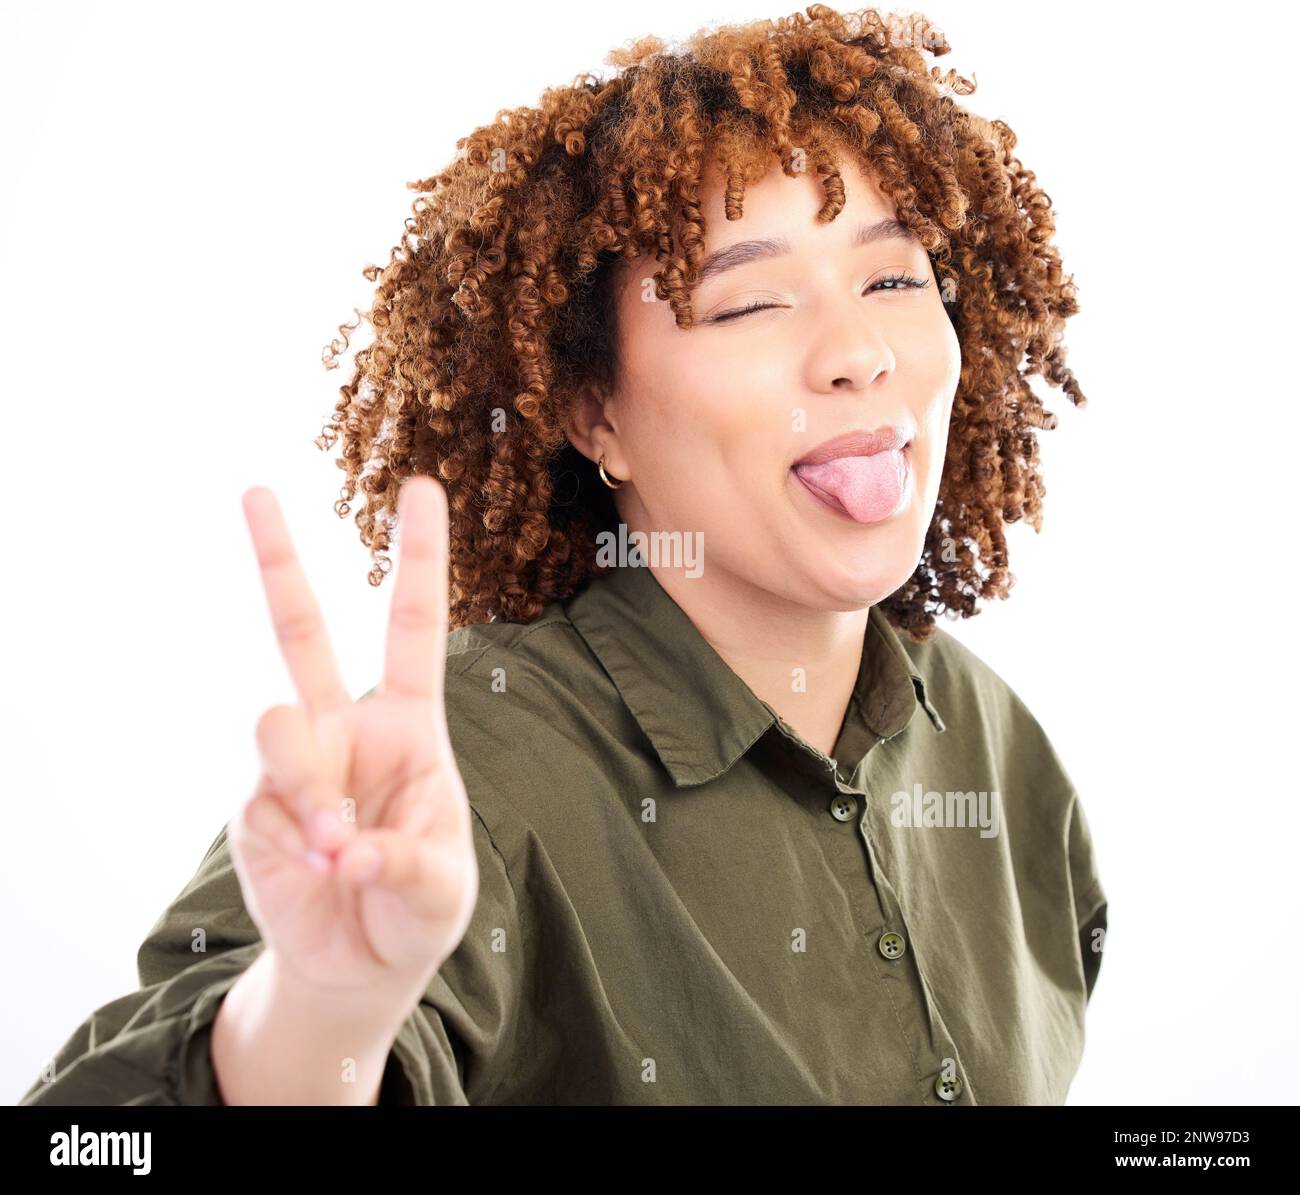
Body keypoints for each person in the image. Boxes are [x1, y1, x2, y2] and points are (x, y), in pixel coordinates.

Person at [20, 4, 1106, 1106]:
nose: (859, 354)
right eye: (749, 303)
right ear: (596, 416)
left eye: (892, 280)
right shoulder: (462, 770)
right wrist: (321, 1011)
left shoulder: (995, 750)